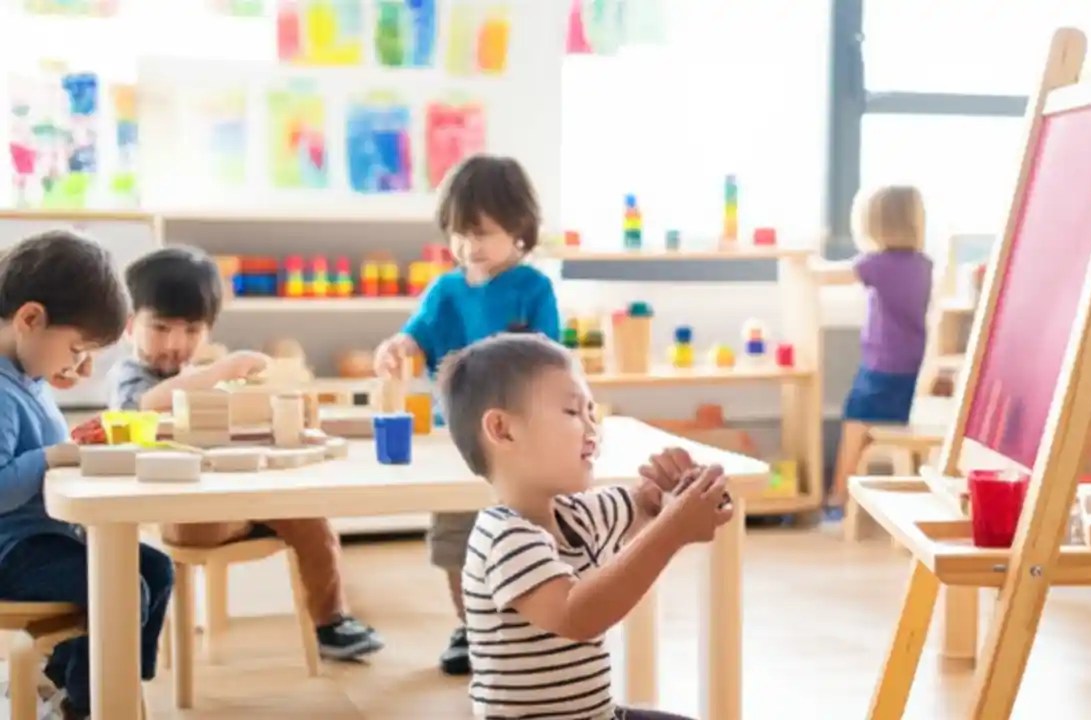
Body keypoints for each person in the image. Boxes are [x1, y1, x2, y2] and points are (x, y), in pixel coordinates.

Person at [108, 245, 383, 660]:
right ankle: (330, 622)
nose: (175, 343)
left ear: (209, 331)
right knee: (299, 514)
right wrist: (217, 372)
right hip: (182, 513)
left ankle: (331, 621)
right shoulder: (131, 376)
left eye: (191, 330)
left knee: (313, 519)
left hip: (228, 500)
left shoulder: (192, 376)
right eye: (161, 328)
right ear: (130, 327)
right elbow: (142, 406)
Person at [439, 333, 729, 719]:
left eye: (592, 412)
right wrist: (674, 529)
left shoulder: (577, 513)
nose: (592, 429)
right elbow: (579, 616)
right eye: (573, 413)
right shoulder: (504, 537)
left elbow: (649, 504)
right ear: (503, 430)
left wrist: (683, 491)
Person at [373, 153, 560, 675]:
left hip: (523, 444)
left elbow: (552, 359)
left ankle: (525, 628)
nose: (467, 247)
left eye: (480, 234)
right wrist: (397, 346)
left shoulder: (533, 288)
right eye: (458, 234)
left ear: (520, 230)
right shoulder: (446, 290)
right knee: (456, 537)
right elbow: (416, 335)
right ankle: (471, 627)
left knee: (524, 534)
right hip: (459, 442)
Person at [0, 230, 172, 720]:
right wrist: (56, 455)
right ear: (30, 319)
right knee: (122, 588)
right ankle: (90, 702)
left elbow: (40, 443)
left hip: (44, 538)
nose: (78, 364)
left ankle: (103, 684)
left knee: (155, 571)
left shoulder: (26, 373)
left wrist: (73, 438)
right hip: (12, 551)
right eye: (76, 349)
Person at [813, 185, 933, 519]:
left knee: (855, 423)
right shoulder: (922, 264)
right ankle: (853, 494)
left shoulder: (877, 264)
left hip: (882, 366)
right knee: (875, 428)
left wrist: (809, 254)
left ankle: (838, 498)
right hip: (910, 365)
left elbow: (826, 276)